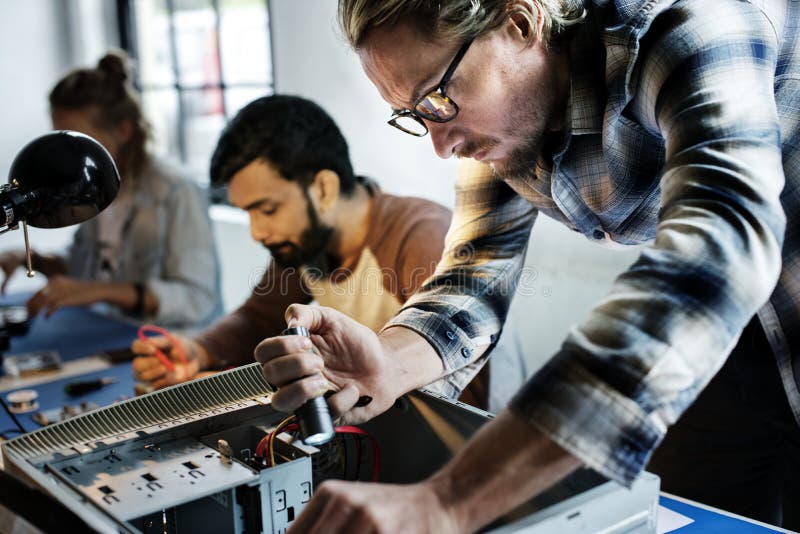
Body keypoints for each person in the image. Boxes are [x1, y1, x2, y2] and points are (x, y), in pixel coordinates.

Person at [255, 1, 800, 532]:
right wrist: (390, 361)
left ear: (520, 21)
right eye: (416, 115)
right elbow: (476, 270)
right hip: (733, 335)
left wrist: (449, 502)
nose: (441, 145)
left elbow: (716, 260)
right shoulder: (503, 121)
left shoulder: (691, 23)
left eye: (439, 97)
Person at [131, 94, 528, 412]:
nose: (257, 231)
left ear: (323, 188)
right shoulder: (305, 243)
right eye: (247, 213)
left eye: (267, 209)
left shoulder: (420, 239)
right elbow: (257, 318)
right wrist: (198, 349)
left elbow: (460, 397)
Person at [0, 50, 221, 327]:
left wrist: (100, 291)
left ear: (123, 131)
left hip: (173, 339)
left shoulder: (176, 190)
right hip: (108, 329)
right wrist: (32, 258)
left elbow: (196, 298)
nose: (66, 157)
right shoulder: (87, 186)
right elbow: (87, 268)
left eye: (79, 140)